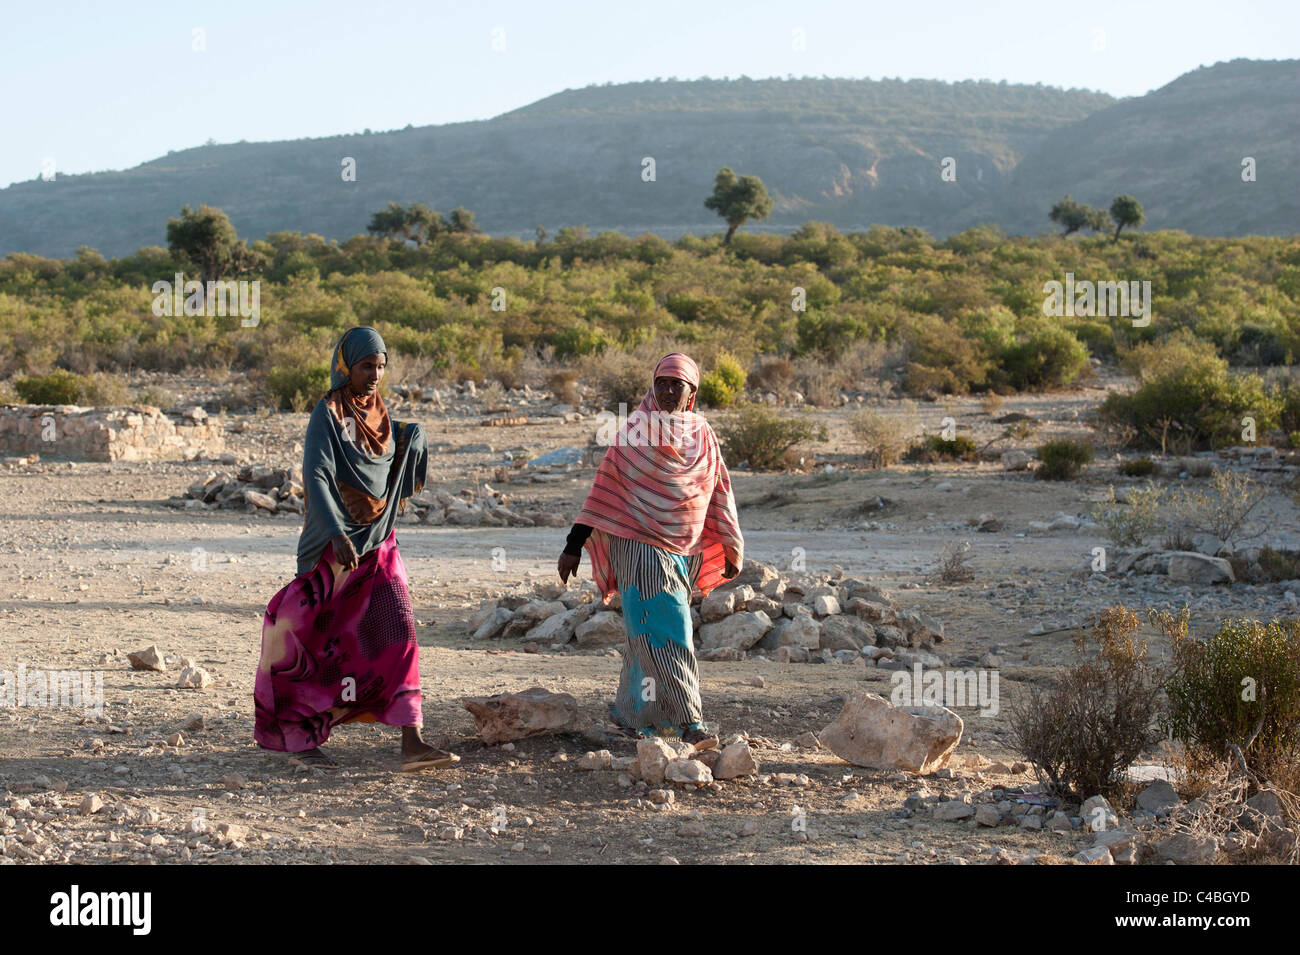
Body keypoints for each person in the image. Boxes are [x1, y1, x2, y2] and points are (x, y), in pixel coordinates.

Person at [254, 325, 456, 771]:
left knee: (399, 630)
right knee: (312, 636)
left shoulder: (378, 412)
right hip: (336, 545)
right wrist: (335, 534)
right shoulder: (325, 414)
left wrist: (411, 433)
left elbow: (382, 443)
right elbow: (318, 475)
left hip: (379, 542)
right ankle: (296, 735)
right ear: (346, 366)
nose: (375, 375)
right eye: (367, 366)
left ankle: (412, 739)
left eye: (381, 366)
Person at [557, 353, 744, 750]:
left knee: (644, 633)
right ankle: (689, 720)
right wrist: (573, 546)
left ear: (693, 392)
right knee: (670, 630)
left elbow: (719, 489)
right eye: (662, 383)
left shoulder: (703, 433)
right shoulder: (634, 432)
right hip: (638, 544)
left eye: (678, 384)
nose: (668, 390)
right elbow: (602, 491)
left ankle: (632, 716)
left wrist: (729, 541)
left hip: (686, 547)